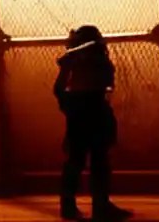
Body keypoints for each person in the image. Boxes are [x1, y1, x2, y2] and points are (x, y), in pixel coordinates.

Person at [54, 25, 129, 221]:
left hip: (83, 109)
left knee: (83, 160)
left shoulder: (78, 61)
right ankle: (95, 205)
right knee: (93, 160)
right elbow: (106, 85)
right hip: (90, 109)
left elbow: (61, 90)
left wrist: (68, 104)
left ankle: (79, 205)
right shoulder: (86, 62)